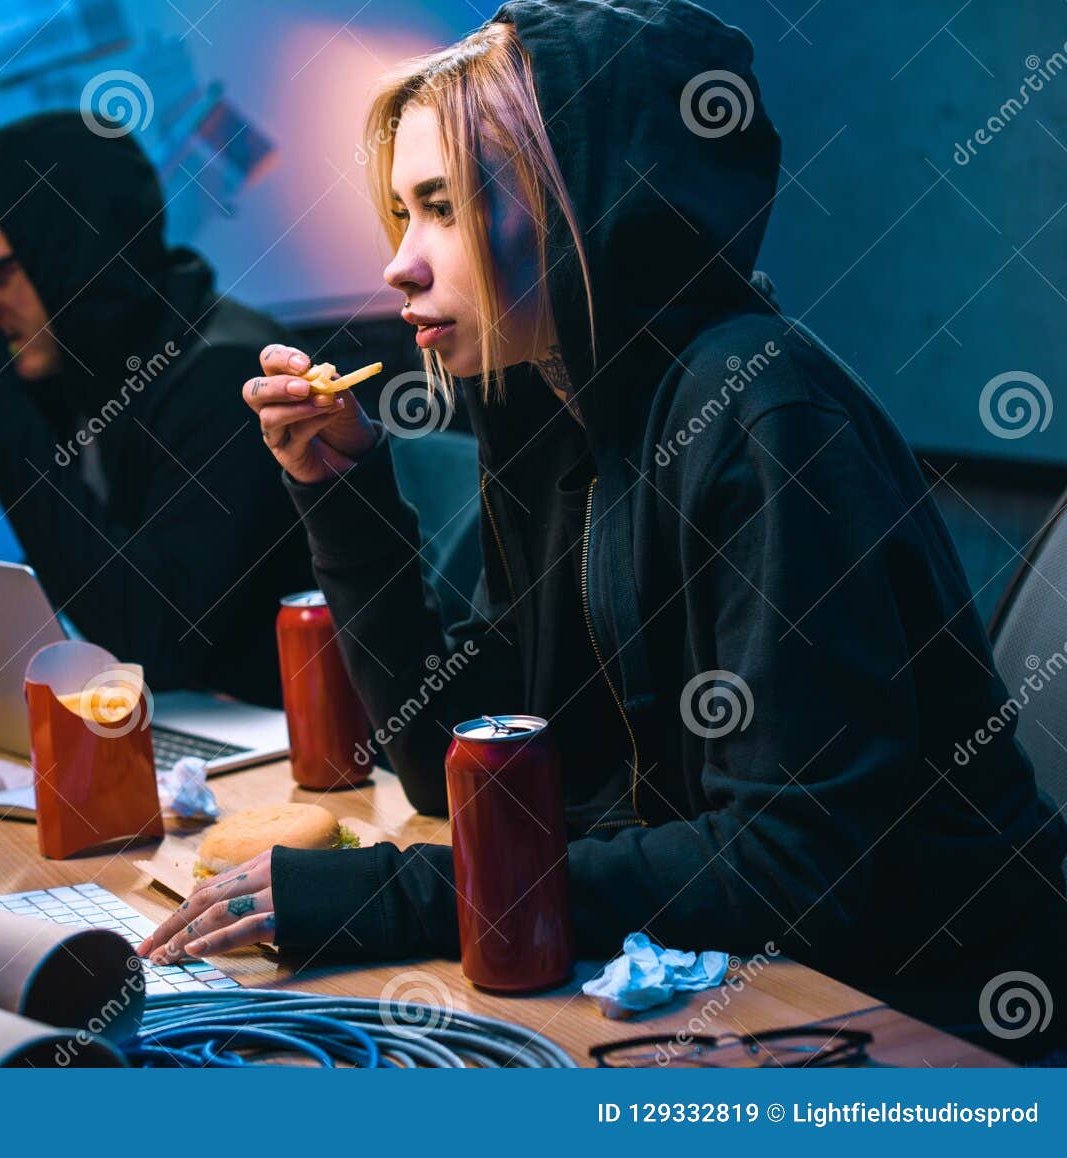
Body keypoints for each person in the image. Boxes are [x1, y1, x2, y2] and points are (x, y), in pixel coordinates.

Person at [138, 0, 1067, 1061]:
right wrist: (339, 486)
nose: (399, 263)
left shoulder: (759, 411)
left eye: (442, 206)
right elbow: (458, 761)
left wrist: (399, 895)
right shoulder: (553, 413)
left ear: (585, 199)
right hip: (721, 982)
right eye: (402, 214)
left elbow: (789, 863)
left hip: (932, 1007)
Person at [0, 111, 312, 706]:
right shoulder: (88, 369)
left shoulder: (228, 376)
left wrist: (8, 434)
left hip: (274, 734)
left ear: (72, 252)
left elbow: (156, 640)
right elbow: (86, 575)